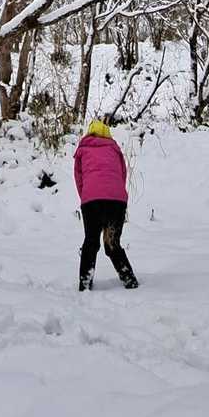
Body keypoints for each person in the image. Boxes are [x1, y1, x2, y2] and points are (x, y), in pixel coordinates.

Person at [73, 120, 138, 291]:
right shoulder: (114, 149)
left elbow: (79, 180)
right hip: (117, 202)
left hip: (92, 201)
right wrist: (116, 196)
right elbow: (123, 175)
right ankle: (129, 280)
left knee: (91, 242)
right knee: (112, 243)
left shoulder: (82, 149)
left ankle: (85, 285)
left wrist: (87, 197)